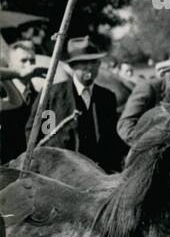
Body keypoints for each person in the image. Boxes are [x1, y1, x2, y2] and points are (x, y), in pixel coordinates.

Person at [31, 36, 125, 171]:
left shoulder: (107, 97)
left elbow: (112, 138)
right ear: (72, 66)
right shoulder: (52, 96)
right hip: (63, 173)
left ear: (99, 64)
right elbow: (44, 134)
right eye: (82, 62)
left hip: (101, 173)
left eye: (93, 61)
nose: (89, 67)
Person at [0, 39, 40, 162]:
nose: (29, 66)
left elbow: (48, 128)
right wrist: (18, 73)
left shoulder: (40, 95)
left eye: (32, 61)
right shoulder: (2, 92)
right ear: (10, 66)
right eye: (23, 61)